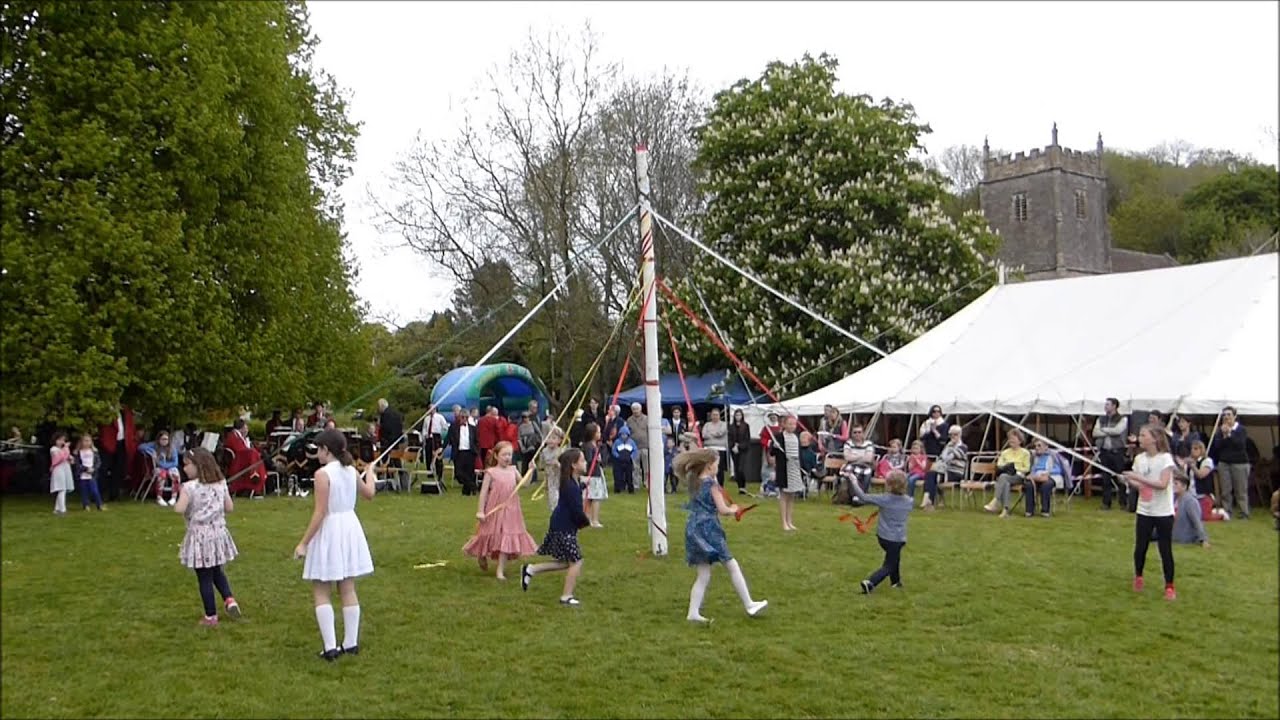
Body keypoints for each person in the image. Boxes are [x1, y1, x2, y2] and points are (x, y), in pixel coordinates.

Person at [294, 429, 376, 660]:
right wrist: (369, 473)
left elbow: (320, 512)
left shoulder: (323, 474)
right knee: (347, 587)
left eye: (318, 449)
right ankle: (350, 643)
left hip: (332, 529)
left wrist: (303, 543)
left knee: (321, 588)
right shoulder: (350, 471)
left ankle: (331, 647)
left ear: (326, 450)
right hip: (349, 527)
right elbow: (370, 492)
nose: (316, 454)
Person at [676, 448, 769, 623]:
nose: (719, 468)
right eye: (717, 465)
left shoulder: (693, 480)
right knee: (731, 564)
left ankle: (693, 613)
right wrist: (733, 509)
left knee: (703, 574)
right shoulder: (711, 485)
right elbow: (723, 509)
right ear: (710, 466)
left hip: (693, 528)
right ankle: (749, 604)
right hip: (709, 529)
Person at [175, 448, 242, 626]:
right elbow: (229, 507)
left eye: (187, 465)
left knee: (204, 576)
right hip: (218, 533)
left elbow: (179, 509)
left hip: (199, 536)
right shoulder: (220, 483)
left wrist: (180, 495)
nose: (184, 469)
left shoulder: (189, 487)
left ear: (198, 465)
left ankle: (210, 616)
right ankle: (229, 599)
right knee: (216, 570)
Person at [522, 448, 590, 606]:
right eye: (582, 460)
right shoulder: (570, 486)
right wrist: (586, 522)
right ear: (574, 465)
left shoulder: (571, 483)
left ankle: (531, 569)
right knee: (576, 561)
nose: (585, 462)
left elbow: (572, 497)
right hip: (563, 528)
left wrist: (582, 487)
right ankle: (566, 596)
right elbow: (576, 511)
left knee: (567, 562)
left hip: (561, 525)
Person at [462, 441, 538, 580]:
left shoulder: (513, 470)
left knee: (506, 536)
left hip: (511, 509)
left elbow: (525, 484)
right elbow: (484, 493)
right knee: (487, 534)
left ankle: (500, 571)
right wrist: (480, 511)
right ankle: (481, 555)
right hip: (494, 508)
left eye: (510, 454)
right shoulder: (491, 472)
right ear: (496, 456)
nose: (508, 457)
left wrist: (530, 470)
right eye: (504, 455)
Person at [1123, 425, 1177, 600]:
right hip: (1144, 510)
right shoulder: (1139, 459)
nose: (1139, 438)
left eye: (1143, 435)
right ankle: (1138, 576)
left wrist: (1137, 477)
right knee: (1140, 547)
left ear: (1154, 438)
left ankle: (1169, 586)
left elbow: (1162, 484)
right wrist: (1129, 480)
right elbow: (1141, 486)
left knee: (1165, 549)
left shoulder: (1165, 459)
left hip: (1163, 512)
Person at [851, 470, 914, 593]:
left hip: (883, 537)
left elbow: (863, 497)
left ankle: (896, 582)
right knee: (889, 565)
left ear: (888, 485)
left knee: (894, 558)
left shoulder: (884, 499)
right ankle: (870, 582)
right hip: (897, 539)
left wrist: (854, 481)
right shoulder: (909, 501)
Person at [1209, 406, 1251, 520]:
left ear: (1234, 416)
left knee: (1240, 490)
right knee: (1225, 490)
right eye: (1224, 415)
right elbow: (1217, 447)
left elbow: (1240, 445)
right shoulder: (1220, 430)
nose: (1226, 417)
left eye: (1229, 415)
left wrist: (1229, 435)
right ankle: (1227, 511)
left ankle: (1244, 512)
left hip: (1240, 463)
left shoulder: (1241, 430)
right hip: (1224, 462)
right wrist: (1223, 436)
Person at [1092, 397, 1130, 511]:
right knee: (1105, 479)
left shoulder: (1122, 419)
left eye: (1108, 404)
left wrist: (1103, 430)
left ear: (1114, 406)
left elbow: (1118, 431)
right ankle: (1106, 503)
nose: (1105, 406)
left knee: (1121, 478)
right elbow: (1095, 432)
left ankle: (1123, 502)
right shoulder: (1101, 418)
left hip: (1117, 451)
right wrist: (1109, 431)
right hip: (1104, 451)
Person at [769, 415, 804, 531]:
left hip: (794, 468)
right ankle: (784, 522)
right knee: (784, 495)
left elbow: (798, 453)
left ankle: (790, 521)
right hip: (784, 470)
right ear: (784, 424)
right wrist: (774, 446)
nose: (792, 426)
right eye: (789, 424)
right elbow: (773, 452)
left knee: (792, 495)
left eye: (794, 424)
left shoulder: (796, 437)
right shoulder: (779, 437)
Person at [985, 429, 1032, 517]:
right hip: (1006, 475)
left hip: (1018, 476)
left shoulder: (1025, 453)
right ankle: (1005, 510)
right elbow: (1000, 465)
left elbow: (1027, 468)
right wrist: (1007, 467)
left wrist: (1014, 467)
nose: (1011, 440)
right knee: (1005, 482)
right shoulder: (1005, 452)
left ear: (1020, 440)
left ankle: (995, 501)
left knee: (1003, 477)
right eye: (1010, 438)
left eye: (1014, 438)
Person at [924, 425, 966, 511]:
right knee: (931, 474)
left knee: (934, 476)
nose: (952, 437)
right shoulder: (948, 445)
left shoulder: (963, 447)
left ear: (959, 435)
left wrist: (950, 448)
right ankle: (929, 499)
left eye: (955, 434)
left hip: (956, 473)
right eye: (951, 435)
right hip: (944, 470)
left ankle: (930, 500)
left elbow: (948, 458)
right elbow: (941, 457)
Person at [1024, 438, 1067, 518]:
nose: (1036, 448)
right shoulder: (1034, 457)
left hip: (1052, 476)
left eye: (1039, 445)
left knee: (1046, 485)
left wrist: (1047, 473)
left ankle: (1045, 510)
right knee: (1029, 484)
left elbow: (1059, 469)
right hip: (1037, 476)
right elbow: (1033, 469)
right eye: (1035, 446)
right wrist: (1031, 475)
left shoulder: (1053, 455)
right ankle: (1029, 511)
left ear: (1046, 447)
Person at [140, 430, 182, 506]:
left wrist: (165, 466)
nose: (164, 441)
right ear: (159, 439)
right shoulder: (154, 445)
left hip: (169, 466)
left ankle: (173, 498)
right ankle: (159, 497)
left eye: (166, 439)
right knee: (162, 474)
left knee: (175, 474)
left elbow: (175, 462)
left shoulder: (172, 448)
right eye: (163, 439)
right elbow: (141, 447)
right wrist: (151, 451)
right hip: (157, 468)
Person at [225, 419, 266, 496]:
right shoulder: (234, 437)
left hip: (242, 461)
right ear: (242, 428)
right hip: (239, 463)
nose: (247, 430)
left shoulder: (236, 437)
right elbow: (241, 450)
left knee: (261, 454)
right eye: (246, 428)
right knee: (257, 455)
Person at [1171, 472, 1209, 547]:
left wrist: (1203, 540)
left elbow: (1197, 521)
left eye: (1176, 483)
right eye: (1172, 483)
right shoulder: (1173, 498)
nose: (1172, 486)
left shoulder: (1190, 501)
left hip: (1184, 537)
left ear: (1184, 486)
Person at [448, 405, 479, 495]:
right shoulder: (453, 427)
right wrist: (442, 447)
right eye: (462, 417)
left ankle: (466, 492)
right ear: (459, 417)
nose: (464, 419)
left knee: (469, 473)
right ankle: (473, 486)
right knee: (458, 473)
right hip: (459, 453)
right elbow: (448, 438)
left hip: (470, 452)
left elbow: (476, 440)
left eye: (466, 417)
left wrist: (476, 450)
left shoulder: (473, 428)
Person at [376, 398, 406, 491]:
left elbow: (384, 428)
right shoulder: (397, 414)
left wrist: (381, 439)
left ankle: (386, 482)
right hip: (396, 441)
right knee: (396, 461)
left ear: (381, 406)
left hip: (386, 442)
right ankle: (401, 480)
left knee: (384, 460)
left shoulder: (384, 415)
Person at [582, 423, 608, 528]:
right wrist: (596, 459)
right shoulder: (589, 446)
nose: (600, 433)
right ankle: (594, 520)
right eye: (598, 432)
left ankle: (587, 518)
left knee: (589, 497)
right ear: (592, 434)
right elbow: (588, 460)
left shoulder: (594, 445)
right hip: (592, 475)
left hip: (593, 473)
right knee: (594, 497)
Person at [72, 434, 104, 511]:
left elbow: (98, 462)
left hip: (92, 474)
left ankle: (99, 505)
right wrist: (86, 469)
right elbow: (77, 464)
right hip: (82, 474)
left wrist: (93, 469)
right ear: (81, 442)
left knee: (94, 490)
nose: (87, 443)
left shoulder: (94, 452)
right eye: (85, 441)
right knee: (84, 491)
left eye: (88, 441)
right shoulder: (78, 453)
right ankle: (86, 505)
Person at [700, 408, 729, 487]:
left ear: (719, 416)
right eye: (713, 415)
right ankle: (708, 484)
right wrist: (714, 434)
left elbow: (720, 433)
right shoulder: (707, 425)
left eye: (716, 415)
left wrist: (711, 433)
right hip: (708, 448)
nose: (715, 416)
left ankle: (720, 485)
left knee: (719, 469)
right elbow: (704, 435)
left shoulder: (723, 424)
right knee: (708, 467)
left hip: (720, 449)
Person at [626, 403, 651, 490]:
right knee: (635, 467)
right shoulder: (629, 420)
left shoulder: (647, 419)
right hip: (634, 447)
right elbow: (627, 433)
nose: (635, 411)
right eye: (634, 409)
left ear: (640, 409)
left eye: (637, 409)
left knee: (646, 467)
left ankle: (647, 483)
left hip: (645, 445)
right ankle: (636, 484)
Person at [728, 409, 753, 494]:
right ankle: (740, 487)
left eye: (739, 415)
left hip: (743, 450)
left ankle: (743, 485)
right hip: (734, 450)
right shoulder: (731, 426)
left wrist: (739, 446)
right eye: (736, 415)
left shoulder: (746, 426)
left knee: (741, 468)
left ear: (742, 416)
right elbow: (729, 438)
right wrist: (733, 447)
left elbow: (747, 439)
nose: (738, 417)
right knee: (736, 469)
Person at [48, 432, 73, 515]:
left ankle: (57, 509)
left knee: (63, 489)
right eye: (59, 440)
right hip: (58, 470)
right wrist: (66, 449)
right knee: (61, 488)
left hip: (65, 469)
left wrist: (70, 458)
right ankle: (62, 509)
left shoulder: (64, 449)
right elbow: (60, 458)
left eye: (63, 440)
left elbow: (68, 457)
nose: (61, 442)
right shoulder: (53, 449)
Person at [541, 428, 564, 512]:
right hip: (550, 478)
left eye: (554, 438)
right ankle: (555, 513)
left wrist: (558, 464)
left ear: (560, 440)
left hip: (560, 478)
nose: (550, 440)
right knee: (552, 499)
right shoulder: (544, 451)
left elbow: (566, 467)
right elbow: (542, 465)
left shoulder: (561, 451)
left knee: (559, 497)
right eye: (549, 438)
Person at [517, 411, 543, 484]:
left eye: (526, 417)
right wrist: (521, 447)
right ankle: (524, 478)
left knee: (532, 461)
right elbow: (518, 438)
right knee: (525, 462)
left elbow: (539, 433)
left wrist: (541, 442)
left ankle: (534, 479)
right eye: (523, 417)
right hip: (525, 445)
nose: (525, 419)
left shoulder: (533, 424)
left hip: (533, 445)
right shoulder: (520, 427)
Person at [611, 424, 638, 494]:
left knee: (629, 476)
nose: (624, 436)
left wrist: (631, 457)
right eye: (622, 434)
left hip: (628, 461)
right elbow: (613, 450)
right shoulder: (617, 442)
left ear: (628, 434)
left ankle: (630, 489)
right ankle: (617, 489)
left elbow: (635, 450)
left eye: (625, 434)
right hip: (619, 462)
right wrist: (617, 456)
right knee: (618, 475)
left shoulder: (631, 442)